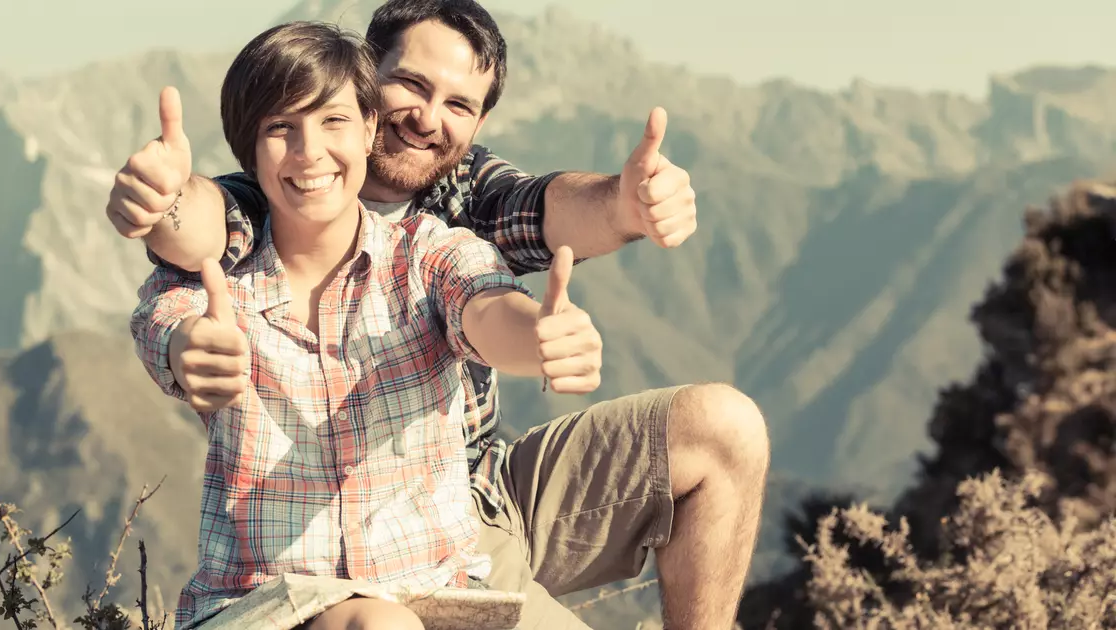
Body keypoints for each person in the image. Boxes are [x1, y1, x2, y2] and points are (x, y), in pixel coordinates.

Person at [110, 1, 770, 627]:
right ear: (369, 83)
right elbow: (196, 234)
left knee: (725, 428)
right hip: (300, 577)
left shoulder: (448, 219)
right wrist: (163, 208)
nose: (428, 118)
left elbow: (517, 251)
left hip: (465, 516)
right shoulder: (257, 216)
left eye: (458, 104)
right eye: (412, 85)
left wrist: (621, 215)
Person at [128, 20, 605, 630]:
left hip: (439, 592)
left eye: (333, 121)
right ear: (248, 150)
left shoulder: (430, 255)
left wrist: (539, 338)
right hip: (268, 607)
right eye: (280, 128)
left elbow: (485, 307)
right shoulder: (214, 284)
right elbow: (168, 327)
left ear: (370, 128)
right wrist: (192, 350)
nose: (309, 153)